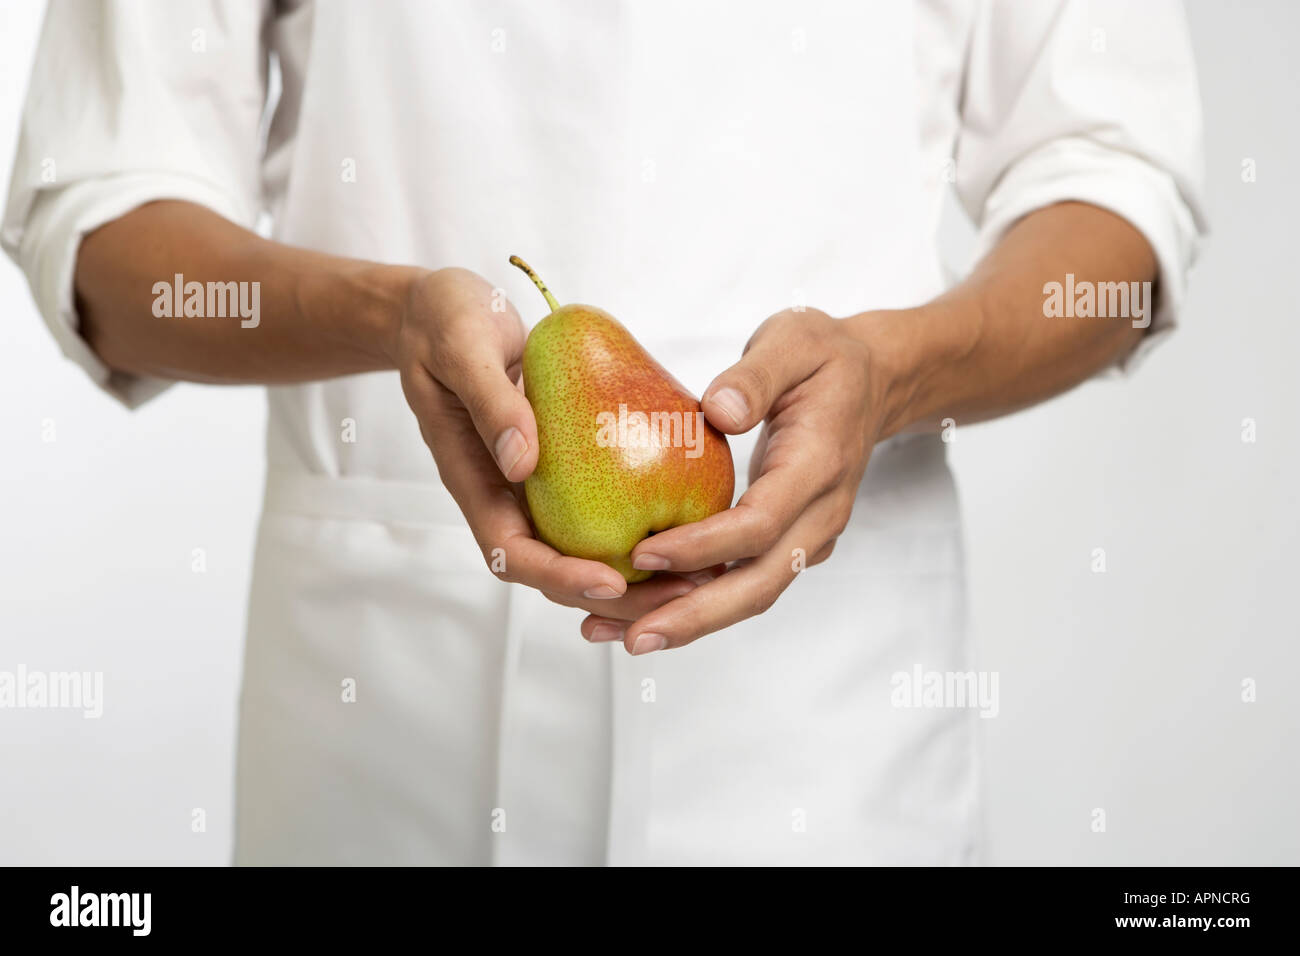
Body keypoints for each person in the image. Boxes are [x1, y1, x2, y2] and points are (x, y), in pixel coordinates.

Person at [3, 0, 1204, 865]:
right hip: (379, 726)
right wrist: (389, 313)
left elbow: (1116, 182)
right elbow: (100, 221)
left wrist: (891, 371)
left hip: (823, 732)